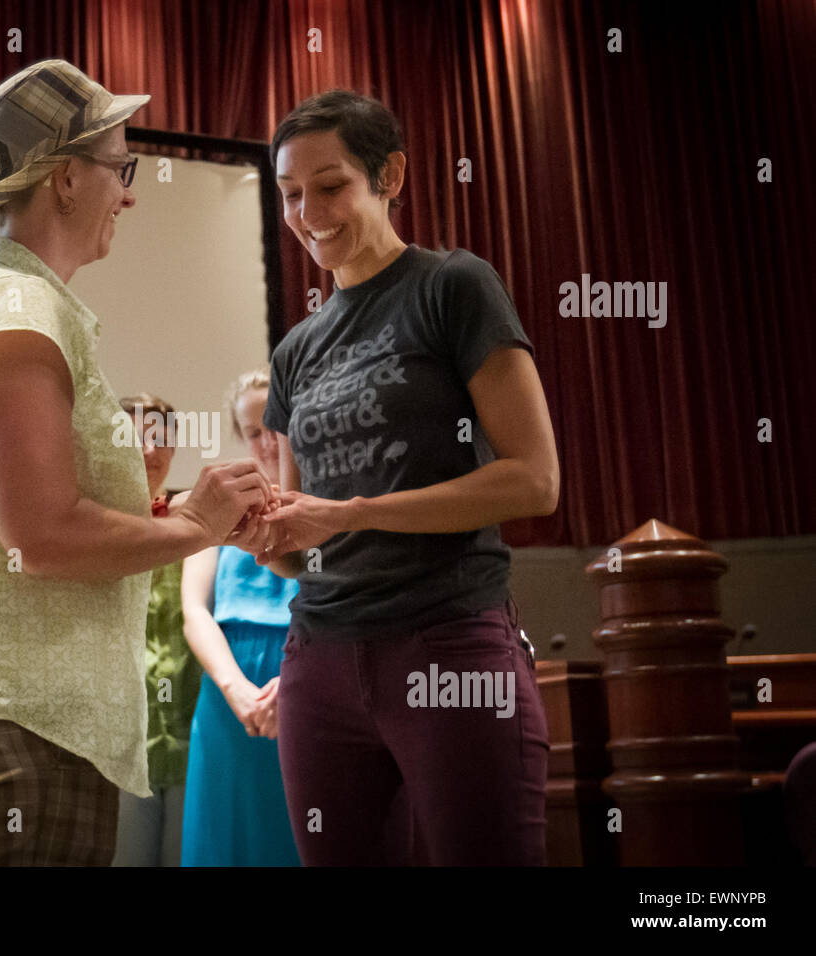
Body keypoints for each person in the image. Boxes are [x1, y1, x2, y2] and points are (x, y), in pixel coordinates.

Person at [0, 59, 273, 867]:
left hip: (20, 724)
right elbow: (42, 535)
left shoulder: (4, 301)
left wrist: (174, 521)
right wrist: (197, 525)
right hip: (19, 722)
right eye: (119, 168)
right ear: (62, 179)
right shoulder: (16, 308)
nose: (129, 192)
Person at [250, 90, 559, 865]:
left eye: (330, 186)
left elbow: (533, 481)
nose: (307, 211)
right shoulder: (294, 352)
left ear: (390, 175)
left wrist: (351, 510)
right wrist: (262, 532)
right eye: (290, 194)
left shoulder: (452, 286)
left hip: (448, 641)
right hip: (318, 658)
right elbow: (298, 540)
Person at [180, 368, 301, 866]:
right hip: (229, 701)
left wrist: (292, 685)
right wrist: (239, 693)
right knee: (227, 839)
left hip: (305, 687)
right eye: (253, 432)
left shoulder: (326, 500)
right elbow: (194, 610)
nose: (267, 443)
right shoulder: (210, 505)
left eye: (274, 427)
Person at [110, 394, 202, 868]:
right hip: (116, 747)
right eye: (134, 438)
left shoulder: (198, 526)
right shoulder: (86, 531)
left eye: (161, 439)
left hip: (194, 741)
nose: (150, 451)